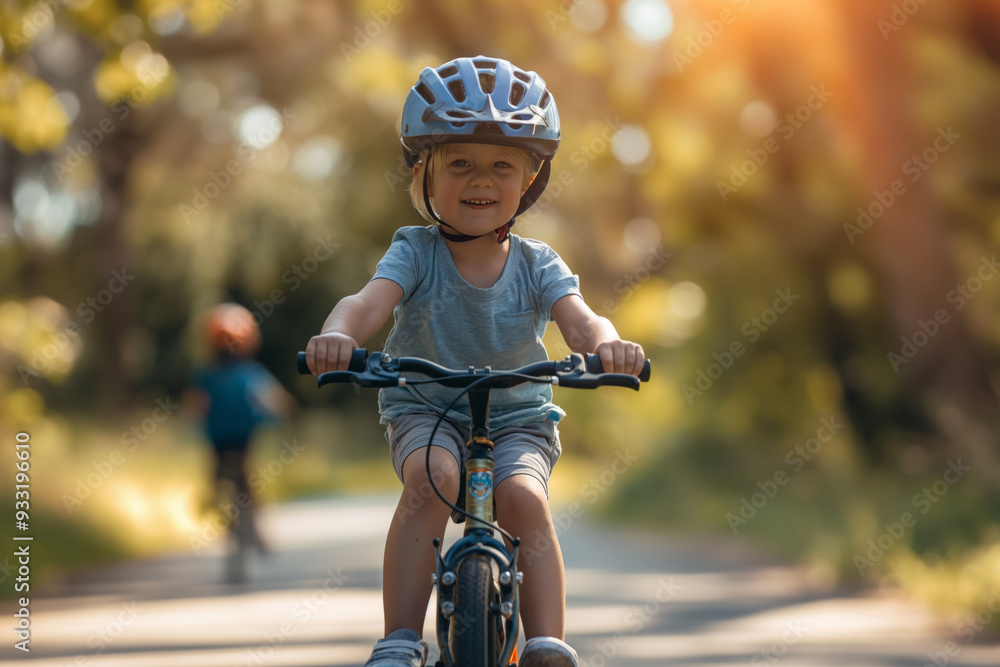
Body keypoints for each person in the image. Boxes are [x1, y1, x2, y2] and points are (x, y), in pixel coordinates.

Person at [304, 56, 644, 667]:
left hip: (517, 417)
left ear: (529, 179)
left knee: (524, 499)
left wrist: (607, 347)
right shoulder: (415, 251)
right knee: (432, 478)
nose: (480, 180)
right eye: (459, 163)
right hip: (425, 407)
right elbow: (367, 303)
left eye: (501, 166)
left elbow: (582, 321)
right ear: (425, 174)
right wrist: (336, 335)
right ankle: (399, 639)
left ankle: (546, 643)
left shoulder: (538, 263)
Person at [188, 303, 294, 566]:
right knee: (246, 484)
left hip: (222, 439)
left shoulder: (209, 374)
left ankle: (230, 516)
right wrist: (279, 413)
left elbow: (195, 405)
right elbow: (275, 401)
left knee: (224, 481)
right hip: (239, 438)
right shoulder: (248, 372)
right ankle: (251, 527)